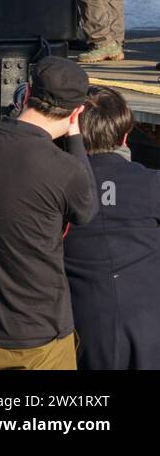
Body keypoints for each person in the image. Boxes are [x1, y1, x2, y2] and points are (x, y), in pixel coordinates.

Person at [0, 56, 97, 370]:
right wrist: (75, 138)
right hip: (34, 338)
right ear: (77, 111)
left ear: (26, 96)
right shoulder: (65, 169)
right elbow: (86, 210)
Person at [64, 86, 160, 369]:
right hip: (148, 324)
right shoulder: (152, 183)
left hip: (81, 326)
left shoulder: (53, 190)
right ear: (125, 136)